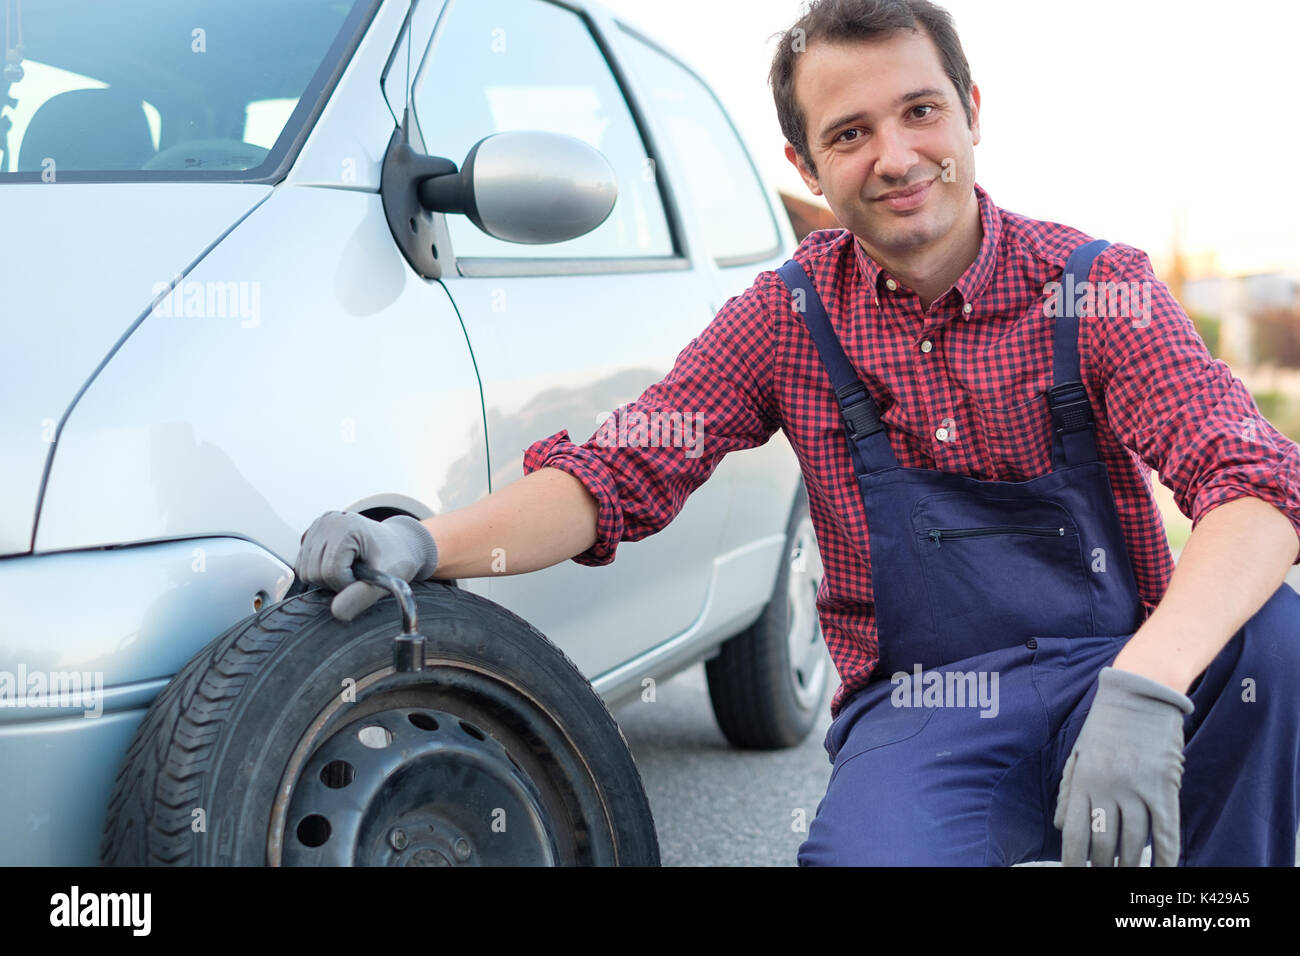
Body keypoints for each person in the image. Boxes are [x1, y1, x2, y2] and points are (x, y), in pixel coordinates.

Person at [294, 0, 1300, 866]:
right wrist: (426, 543)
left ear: (971, 112)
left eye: (919, 111)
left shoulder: (1097, 287)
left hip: (1110, 666)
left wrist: (1148, 676)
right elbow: (614, 475)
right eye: (851, 132)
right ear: (806, 164)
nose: (896, 156)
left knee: (1270, 633)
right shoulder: (785, 320)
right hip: (925, 712)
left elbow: (1254, 488)